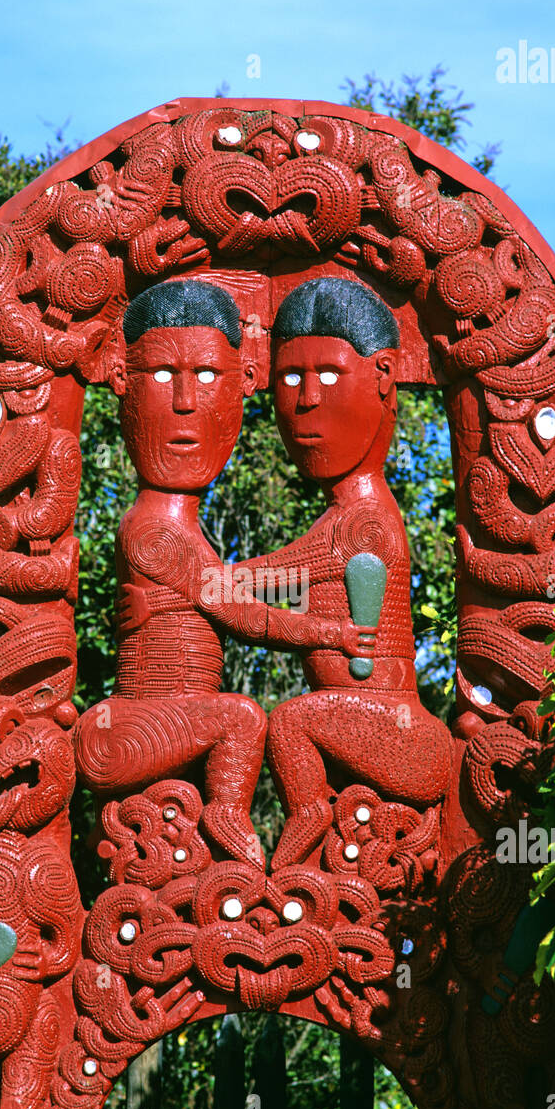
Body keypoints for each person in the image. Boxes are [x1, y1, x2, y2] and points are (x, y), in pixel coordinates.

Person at [74, 278, 375, 865]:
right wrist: (329, 633)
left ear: (242, 384)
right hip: (126, 733)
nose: (185, 401)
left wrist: (172, 603)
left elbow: (223, 589)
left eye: (207, 376)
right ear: (121, 383)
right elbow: (234, 607)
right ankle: (228, 815)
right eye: (162, 376)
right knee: (240, 716)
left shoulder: (183, 534)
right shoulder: (154, 531)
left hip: (157, 729)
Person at [230, 276, 455, 869]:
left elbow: (252, 582)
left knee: (290, 718)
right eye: (289, 378)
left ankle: (299, 833)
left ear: (384, 375)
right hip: (363, 726)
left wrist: (183, 582)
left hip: (401, 733)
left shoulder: (364, 524)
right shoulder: (341, 518)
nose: (306, 400)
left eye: (328, 375)